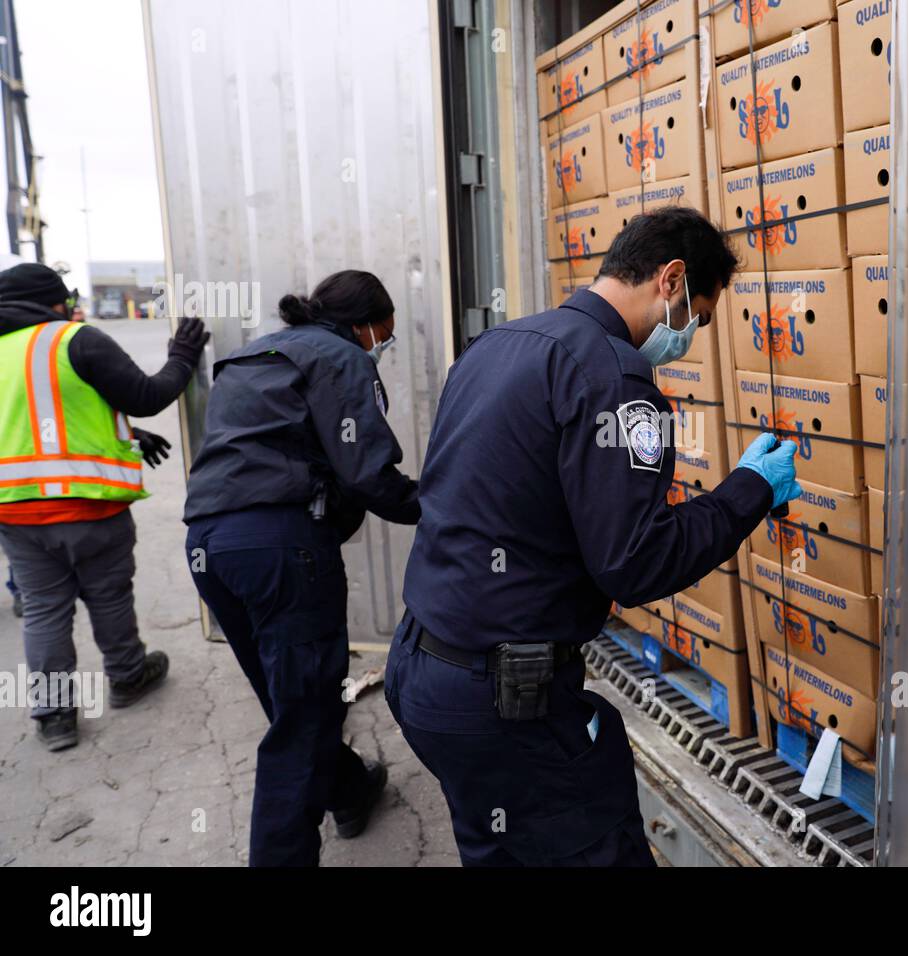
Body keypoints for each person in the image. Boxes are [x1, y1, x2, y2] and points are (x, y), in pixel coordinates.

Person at [388, 207, 803, 866]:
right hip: (504, 704)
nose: (691, 335)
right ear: (670, 279)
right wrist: (750, 489)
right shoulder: (613, 376)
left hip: (423, 671)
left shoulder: (499, 344)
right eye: (699, 315)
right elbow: (636, 564)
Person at [183, 269, 420, 867]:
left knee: (293, 702)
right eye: (383, 336)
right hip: (282, 550)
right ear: (363, 323)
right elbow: (368, 473)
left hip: (210, 546)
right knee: (305, 718)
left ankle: (350, 789)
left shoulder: (252, 356)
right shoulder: (341, 356)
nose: (381, 348)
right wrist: (441, 504)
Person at [0, 263, 205, 751]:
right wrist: (182, 356)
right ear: (54, 303)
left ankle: (55, 718)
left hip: (15, 513)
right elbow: (148, 395)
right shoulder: (75, 339)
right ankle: (128, 676)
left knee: (45, 611)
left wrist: (128, 435)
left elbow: (31, 418)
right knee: (109, 593)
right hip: (89, 506)